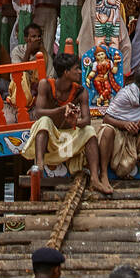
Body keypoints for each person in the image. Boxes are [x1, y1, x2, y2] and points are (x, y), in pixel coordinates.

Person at [21, 52, 113, 195]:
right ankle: (39, 165)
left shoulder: (81, 91)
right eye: (76, 68)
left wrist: (75, 121)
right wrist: (61, 109)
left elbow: (86, 120)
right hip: (52, 137)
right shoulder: (45, 85)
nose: (80, 71)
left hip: (70, 137)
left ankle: (95, 178)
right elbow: (38, 113)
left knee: (89, 130)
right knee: (44, 121)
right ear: (66, 72)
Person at [96, 64, 140, 191]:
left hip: (138, 138)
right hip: (120, 137)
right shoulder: (124, 95)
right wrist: (124, 124)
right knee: (106, 130)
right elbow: (106, 118)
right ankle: (103, 175)